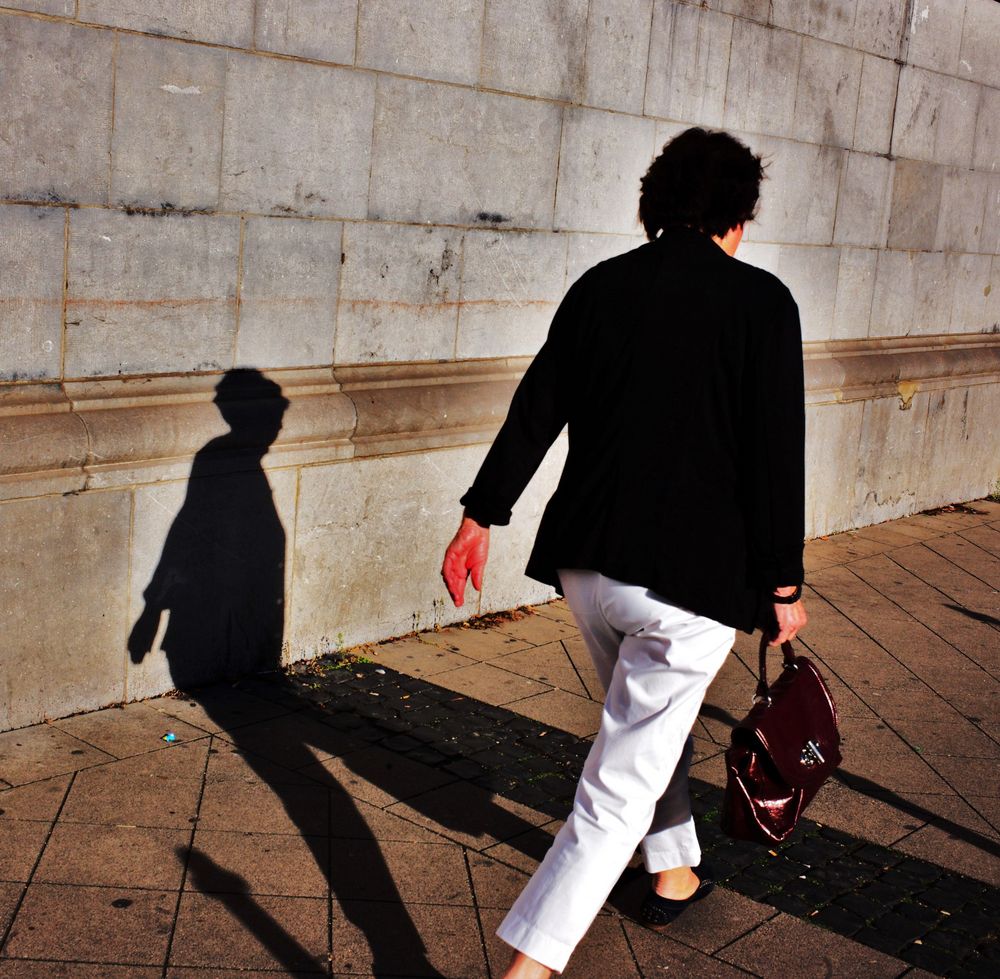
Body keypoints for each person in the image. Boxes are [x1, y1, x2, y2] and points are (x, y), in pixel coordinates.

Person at [441, 127, 807, 979]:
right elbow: (774, 453)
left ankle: (673, 871)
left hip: (590, 565)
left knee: (647, 723)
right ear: (738, 216)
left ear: (656, 203)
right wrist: (783, 581)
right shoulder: (762, 303)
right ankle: (527, 972)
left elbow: (539, 406)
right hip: (692, 585)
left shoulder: (603, 286)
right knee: (615, 787)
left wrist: (480, 515)